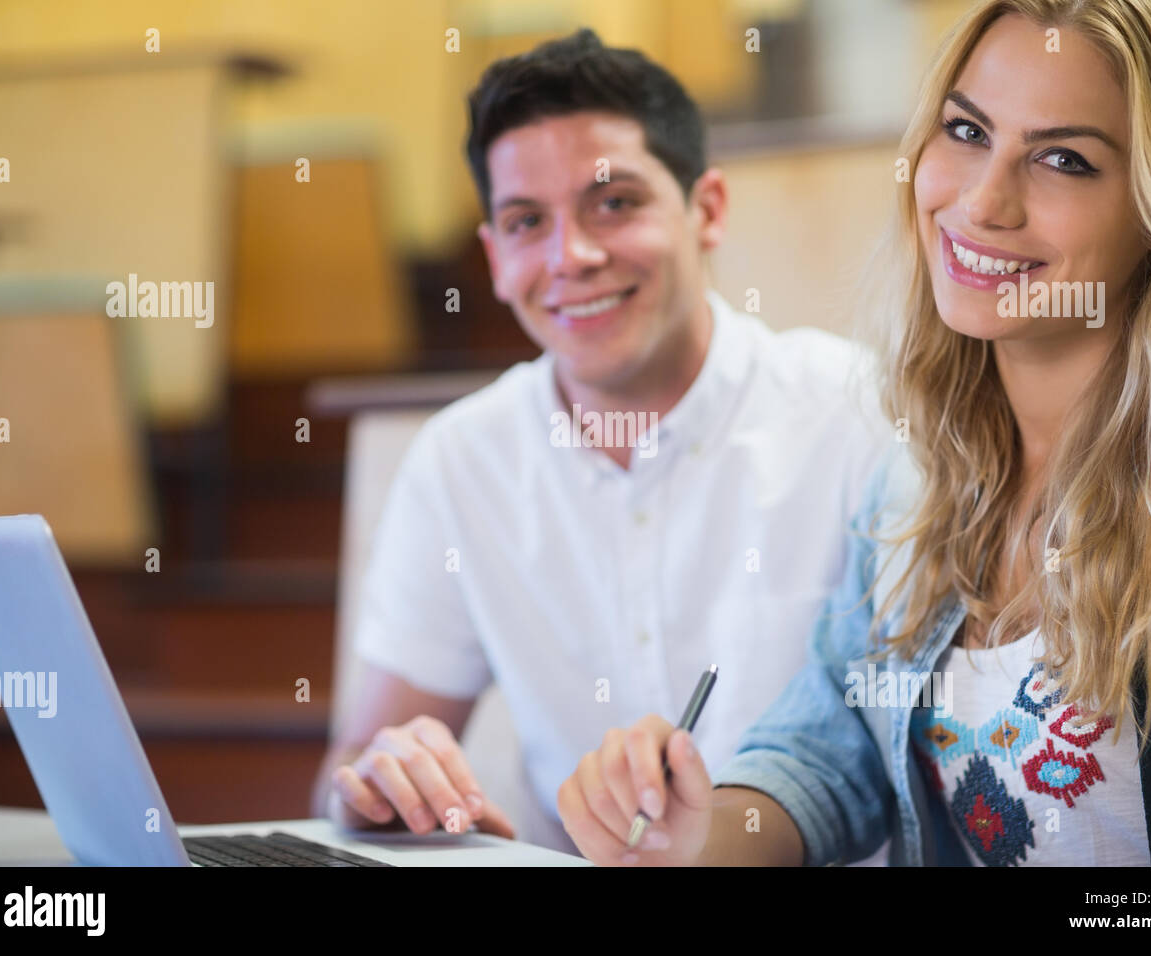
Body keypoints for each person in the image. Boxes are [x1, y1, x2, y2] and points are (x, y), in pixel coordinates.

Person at [558, 0, 1151, 866]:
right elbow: (830, 755)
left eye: (1064, 159)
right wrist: (691, 832)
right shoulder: (916, 480)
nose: (983, 200)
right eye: (966, 131)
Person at [314, 29, 887, 856]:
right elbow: (351, 767)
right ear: (493, 256)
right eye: (525, 221)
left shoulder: (859, 416)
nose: (571, 256)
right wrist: (379, 781)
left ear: (708, 209)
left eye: (614, 203)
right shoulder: (458, 462)